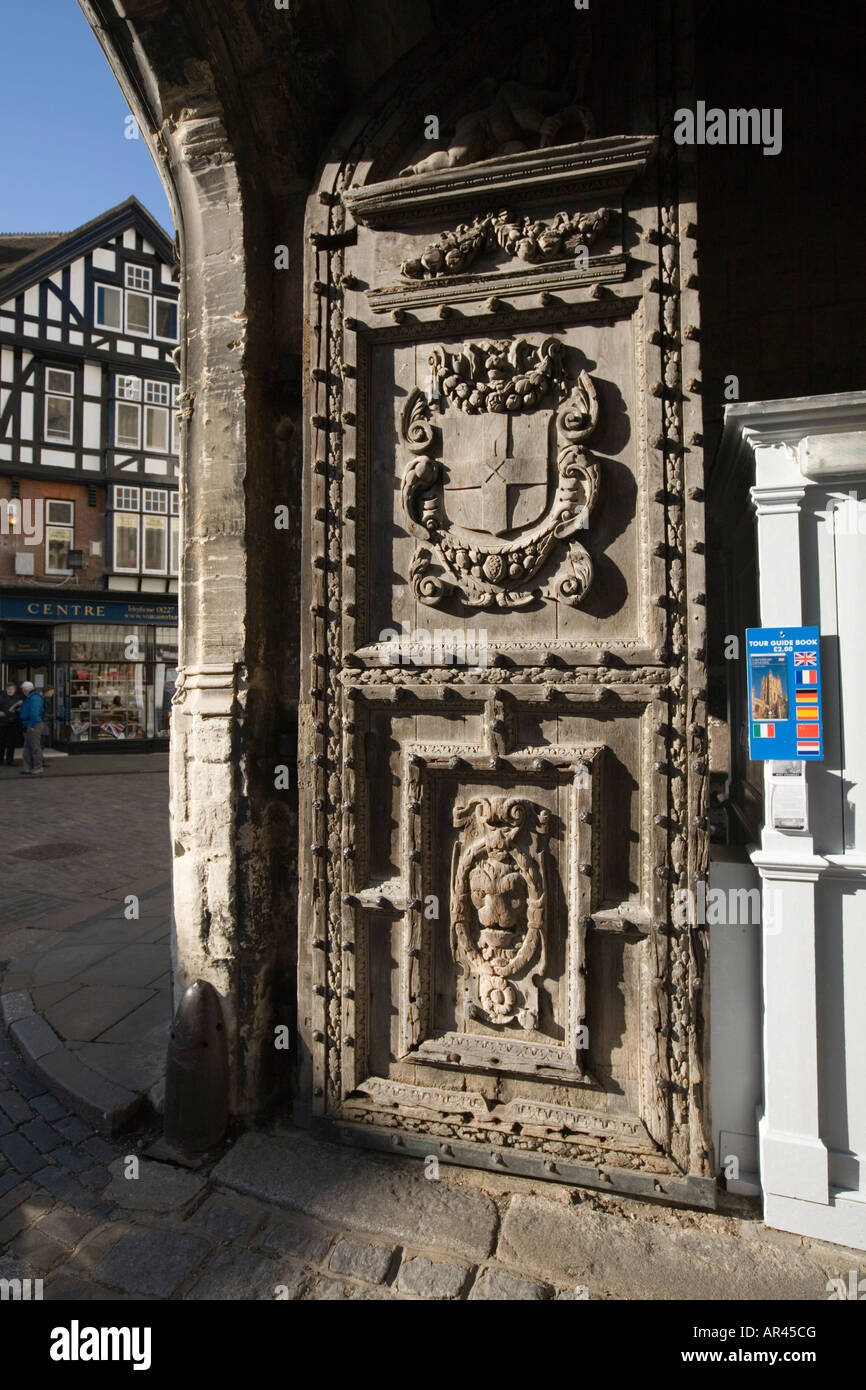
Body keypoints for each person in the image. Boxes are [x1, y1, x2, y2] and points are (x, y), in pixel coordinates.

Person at [19, 681, 47, 776]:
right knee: (28, 746)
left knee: (34, 746)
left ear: (26, 690)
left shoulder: (34, 698)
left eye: (22, 689)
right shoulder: (32, 698)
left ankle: (38, 767)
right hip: (30, 723)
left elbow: (34, 713)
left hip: (33, 724)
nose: (22, 691)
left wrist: (31, 725)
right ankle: (27, 767)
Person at [0, 681, 22, 767]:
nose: (10, 691)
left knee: (11, 743)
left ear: (15, 690)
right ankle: (0, 760)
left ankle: (10, 760)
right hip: (2, 723)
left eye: (12, 689)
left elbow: (20, 710)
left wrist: (19, 710)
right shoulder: (1, 697)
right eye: (8, 689)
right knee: (1, 742)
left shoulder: (17, 698)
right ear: (6, 689)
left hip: (13, 723)